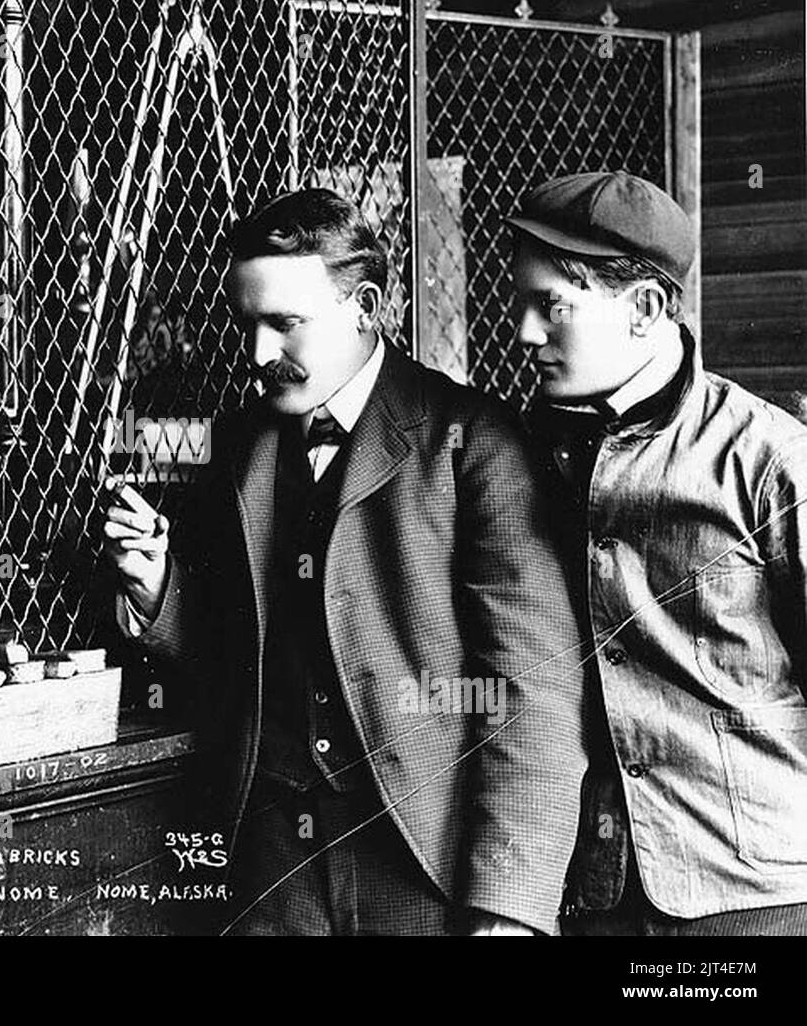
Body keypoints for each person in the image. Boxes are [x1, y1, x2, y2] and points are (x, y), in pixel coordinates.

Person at [102, 188, 587, 935]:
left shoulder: (473, 442)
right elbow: (233, 656)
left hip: (424, 863)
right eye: (247, 325)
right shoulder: (241, 445)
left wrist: (508, 908)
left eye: (284, 325)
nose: (259, 355)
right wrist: (157, 584)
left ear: (364, 307)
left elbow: (532, 695)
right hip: (267, 871)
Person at [509, 170, 807, 935]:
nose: (524, 332)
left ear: (645, 308)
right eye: (522, 302)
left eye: (551, 307)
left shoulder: (768, 460)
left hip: (755, 897)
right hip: (592, 893)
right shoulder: (521, 451)